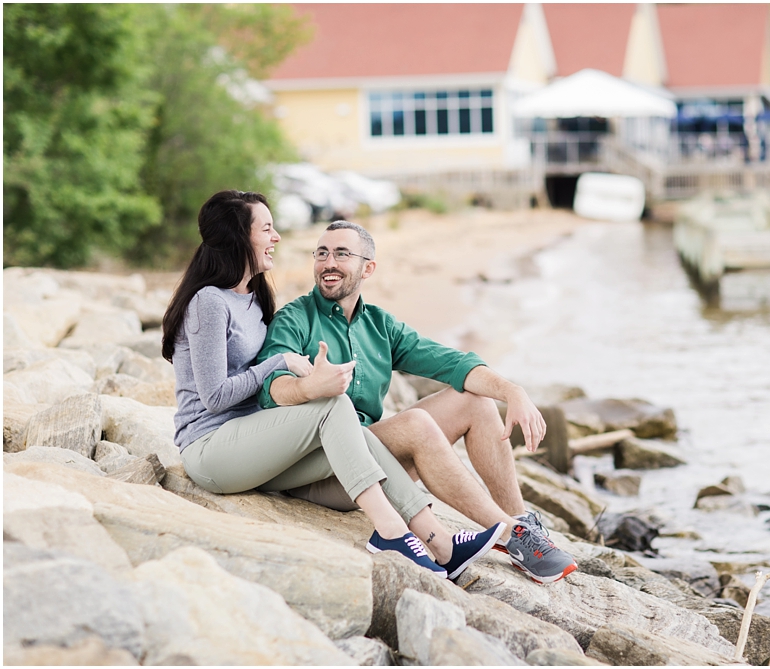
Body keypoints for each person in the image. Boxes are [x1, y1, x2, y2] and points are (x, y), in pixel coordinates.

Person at [161, 190, 503, 580]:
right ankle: (390, 532)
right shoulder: (209, 300)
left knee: (357, 435)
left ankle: (440, 542)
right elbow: (215, 396)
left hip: (258, 450)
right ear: (239, 236)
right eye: (267, 229)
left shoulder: (254, 297)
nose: (276, 238)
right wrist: (281, 362)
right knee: (333, 404)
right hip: (211, 449)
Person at [256, 220, 578, 584]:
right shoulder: (294, 319)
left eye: (342, 254)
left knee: (477, 402)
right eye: (322, 253)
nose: (328, 263)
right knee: (414, 424)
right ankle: (504, 532)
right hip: (320, 470)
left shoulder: (379, 325)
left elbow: (453, 364)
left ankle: (521, 529)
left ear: (368, 268)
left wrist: (512, 391)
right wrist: (309, 387)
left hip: (374, 463)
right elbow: (272, 388)